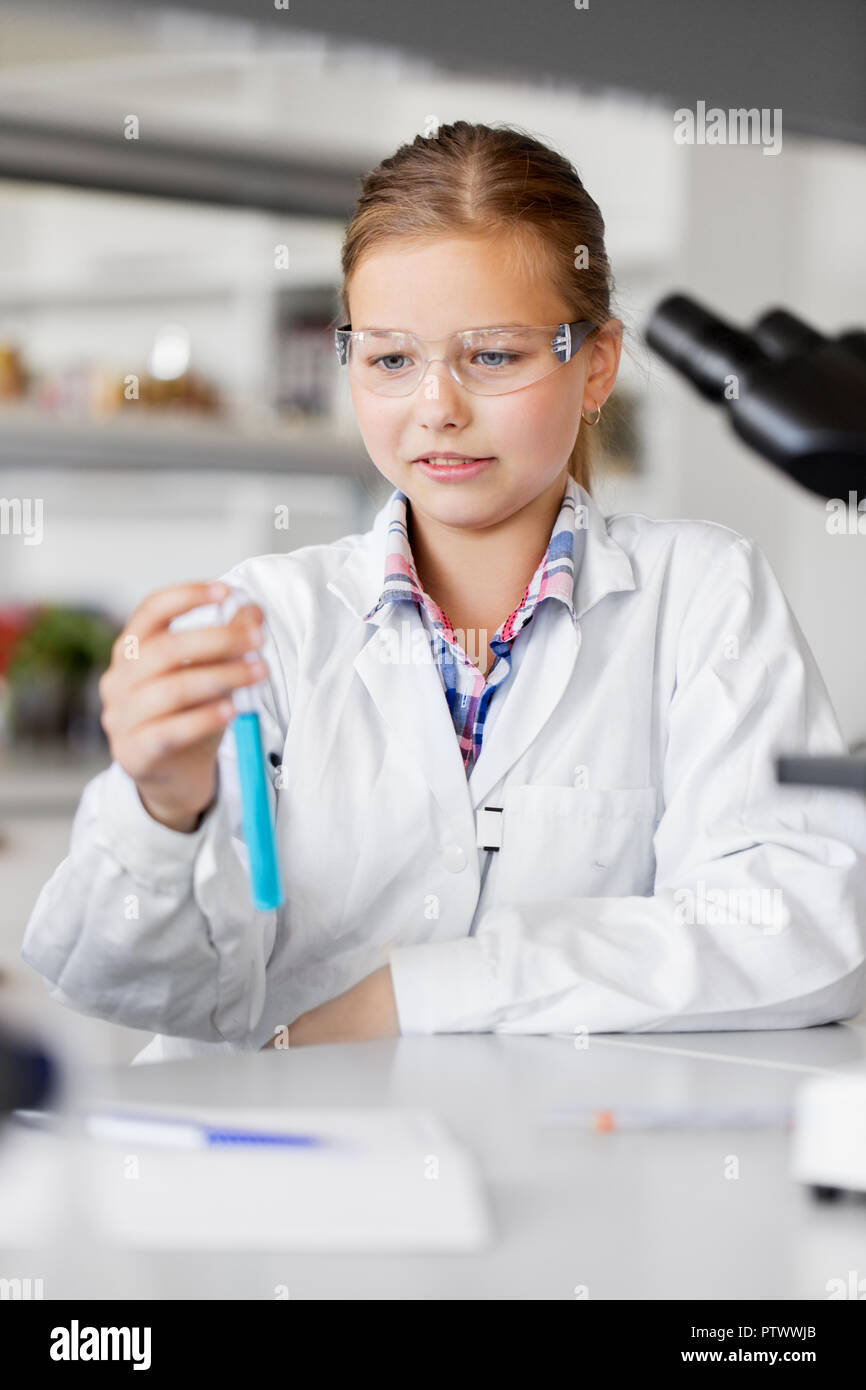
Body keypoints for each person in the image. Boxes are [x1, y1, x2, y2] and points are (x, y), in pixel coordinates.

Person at [20, 121, 866, 1063]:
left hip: (572, 1183)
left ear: (596, 364)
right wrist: (161, 809)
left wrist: (415, 995)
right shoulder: (265, 619)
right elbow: (115, 979)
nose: (437, 406)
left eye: (493, 356)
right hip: (275, 1173)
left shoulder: (701, 594)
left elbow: (802, 927)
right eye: (390, 359)